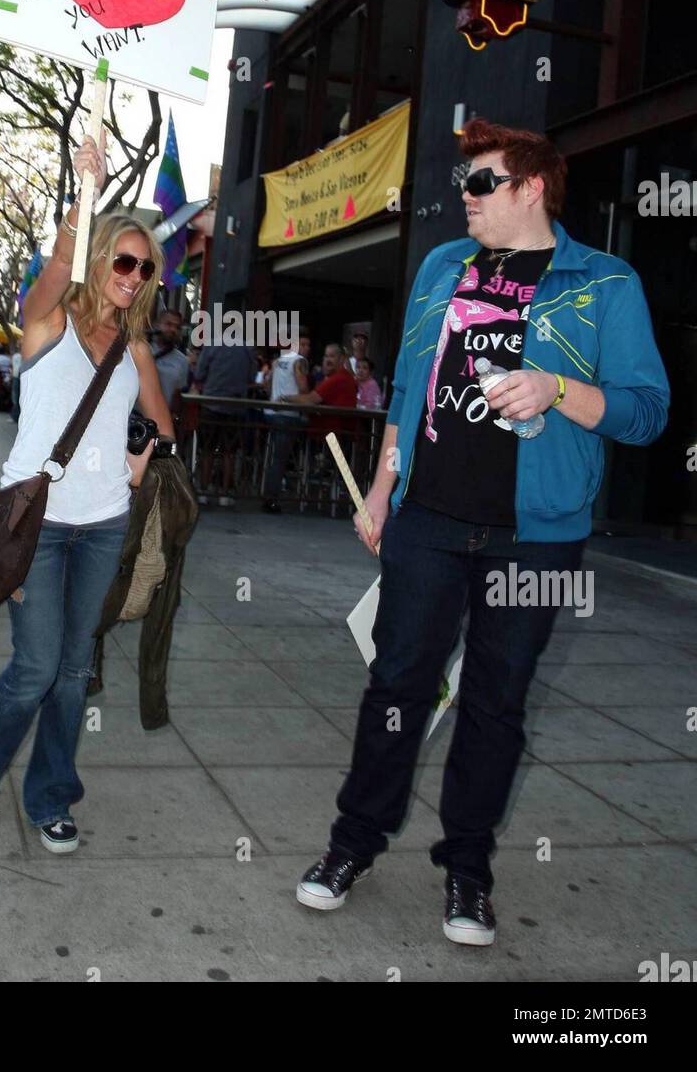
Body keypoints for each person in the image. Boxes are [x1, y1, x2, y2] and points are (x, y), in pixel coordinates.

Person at [295, 118, 670, 946]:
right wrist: (383, 491)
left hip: (538, 539)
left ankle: (467, 871)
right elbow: (407, 392)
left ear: (531, 186)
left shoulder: (604, 284)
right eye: (463, 182)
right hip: (428, 523)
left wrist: (555, 387)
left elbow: (647, 414)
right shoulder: (440, 268)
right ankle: (350, 845)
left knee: (496, 705)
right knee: (395, 688)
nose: (462, 197)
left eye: (480, 183)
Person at [0, 134, 174, 855]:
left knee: (75, 674)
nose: (134, 276)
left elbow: (163, 430)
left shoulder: (134, 345)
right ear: (101, 256)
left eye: (145, 269)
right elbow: (54, 266)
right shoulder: (46, 325)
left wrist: (142, 464)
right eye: (124, 261)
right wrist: (88, 188)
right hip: (36, 525)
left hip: (104, 527)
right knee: (35, 668)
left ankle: (51, 796)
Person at [192, 336, 255, 507]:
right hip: (236, 405)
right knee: (230, 452)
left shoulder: (212, 345)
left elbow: (199, 374)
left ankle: (203, 491)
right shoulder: (247, 348)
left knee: (207, 450)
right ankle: (225, 493)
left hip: (211, 404)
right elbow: (252, 376)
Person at [262, 327, 311, 515]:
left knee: (274, 456)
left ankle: (269, 492)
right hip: (288, 415)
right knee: (280, 458)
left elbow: (267, 386)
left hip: (271, 412)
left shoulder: (277, 361)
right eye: (303, 344)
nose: (306, 348)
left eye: (308, 345)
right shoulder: (300, 362)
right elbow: (303, 387)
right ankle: (272, 497)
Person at [150, 307, 189, 418]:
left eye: (177, 327)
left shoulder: (182, 360)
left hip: (161, 418)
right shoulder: (142, 350)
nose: (173, 330)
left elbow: (177, 394)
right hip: (134, 415)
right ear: (157, 325)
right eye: (168, 324)